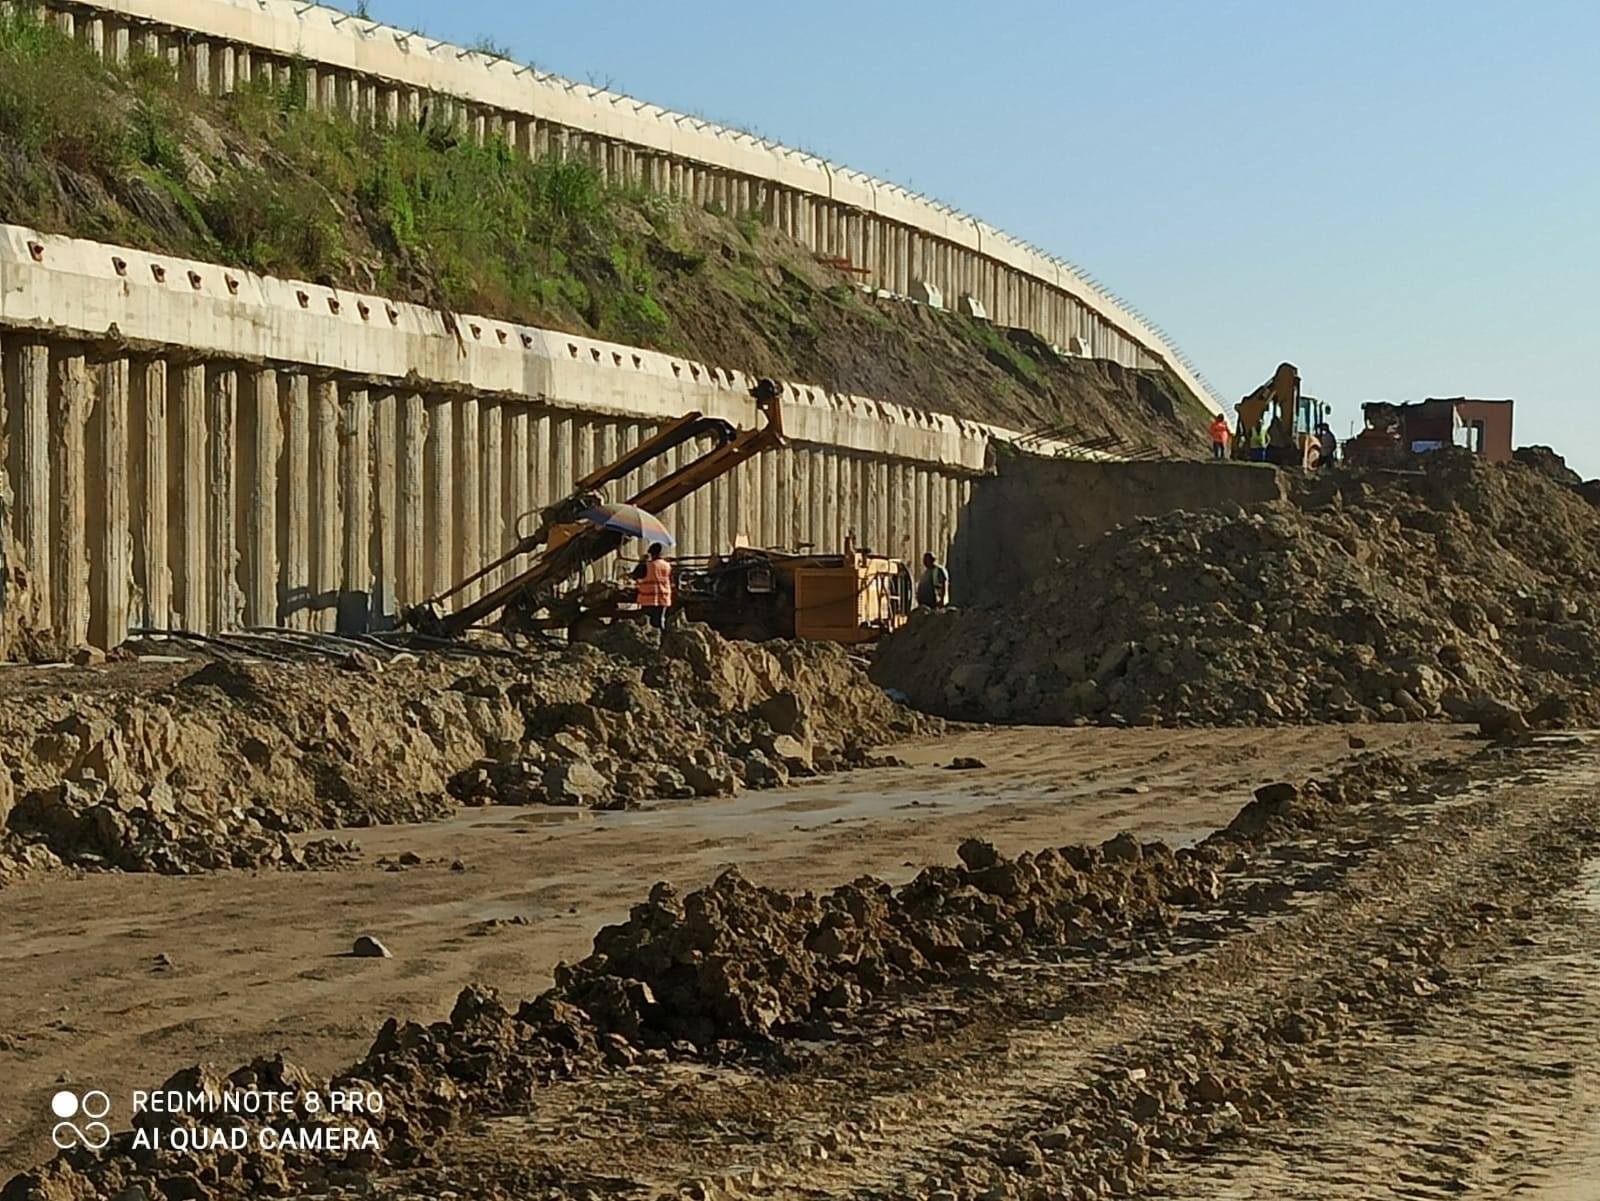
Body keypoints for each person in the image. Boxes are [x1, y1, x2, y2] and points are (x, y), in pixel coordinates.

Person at [632, 542, 673, 629]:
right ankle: (662, 639)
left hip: (647, 599)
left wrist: (642, 561)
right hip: (663, 598)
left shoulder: (646, 566)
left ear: (651, 553)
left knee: (647, 624)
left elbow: (635, 575)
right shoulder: (667, 566)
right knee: (659, 621)